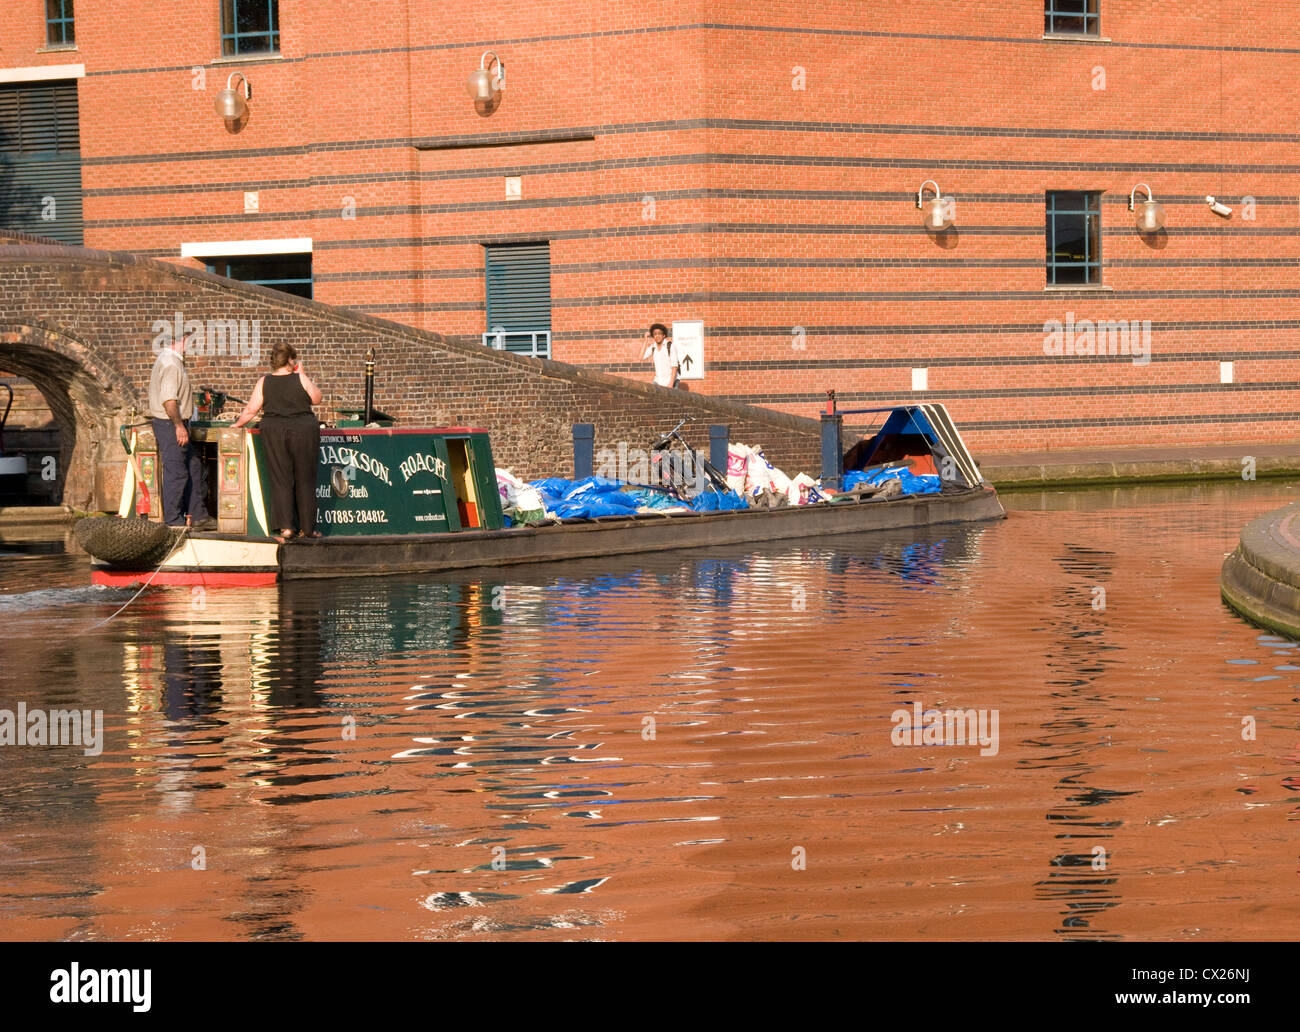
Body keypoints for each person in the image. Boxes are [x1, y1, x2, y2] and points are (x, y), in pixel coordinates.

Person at [231, 344, 324, 543]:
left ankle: (286, 528)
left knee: (281, 479)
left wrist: (236, 425)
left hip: (274, 431)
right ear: (291, 360)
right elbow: (317, 399)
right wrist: (304, 374)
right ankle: (308, 529)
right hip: (304, 430)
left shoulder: (264, 381)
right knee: (305, 480)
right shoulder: (300, 378)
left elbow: (251, 410)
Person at [148, 330, 217, 529]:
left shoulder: (170, 360)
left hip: (173, 423)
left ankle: (197, 515)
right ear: (182, 339)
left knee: (193, 465)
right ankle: (173, 522)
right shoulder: (171, 364)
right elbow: (169, 401)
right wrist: (179, 426)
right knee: (176, 473)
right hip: (170, 424)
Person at [641, 322, 679, 389]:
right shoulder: (653, 347)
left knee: (670, 400)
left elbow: (675, 366)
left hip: (671, 381)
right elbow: (641, 357)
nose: (657, 336)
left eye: (659, 333)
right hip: (658, 381)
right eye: (655, 334)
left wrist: (671, 384)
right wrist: (646, 341)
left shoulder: (670, 346)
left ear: (664, 335)